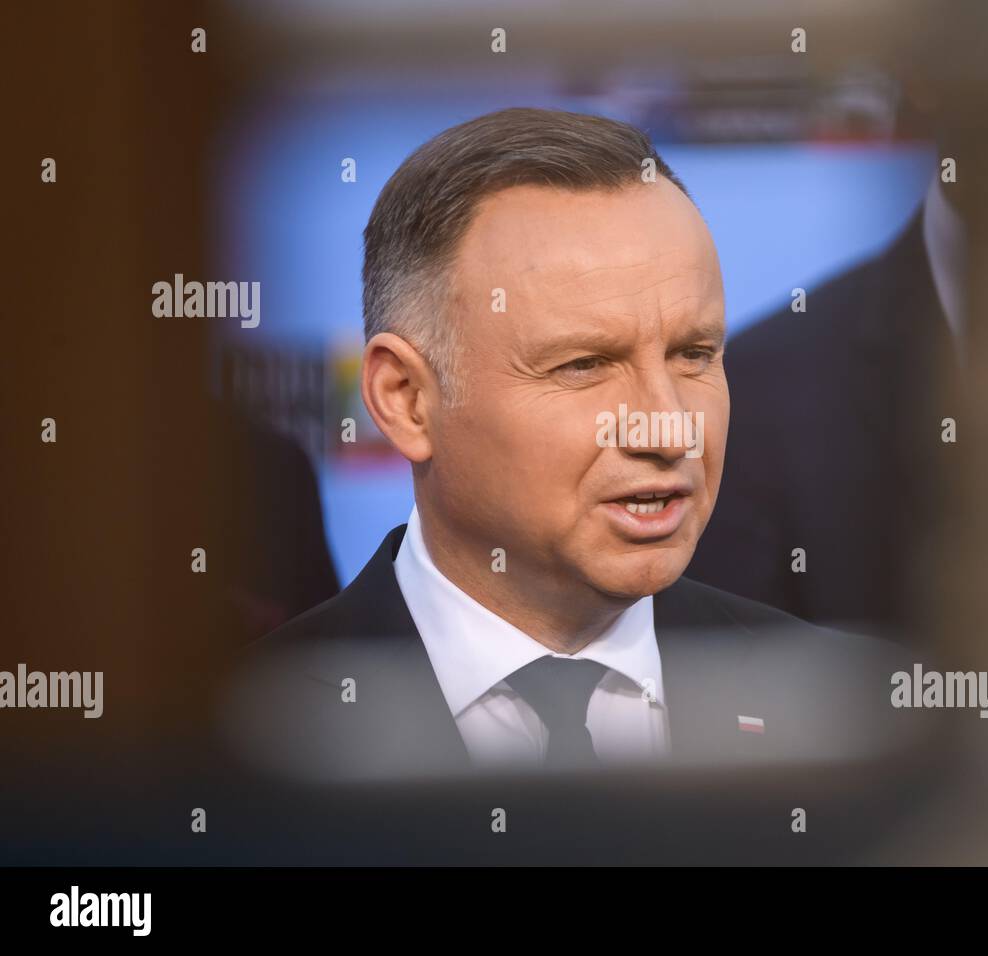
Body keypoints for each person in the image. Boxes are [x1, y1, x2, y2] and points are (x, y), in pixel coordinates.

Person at [220, 108, 911, 781]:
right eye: (583, 365)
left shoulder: (852, 718)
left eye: (692, 354)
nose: (667, 426)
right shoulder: (240, 740)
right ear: (405, 399)